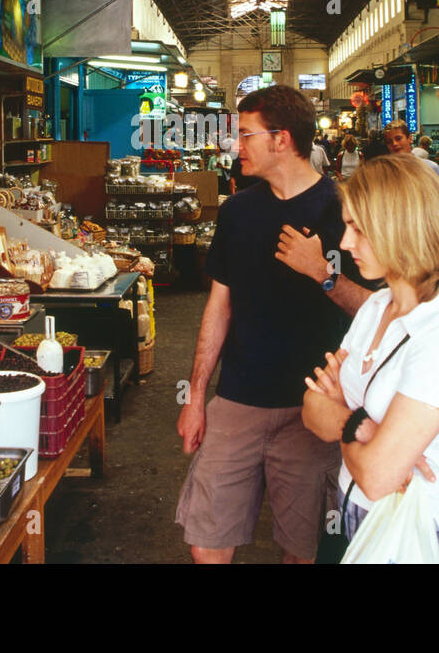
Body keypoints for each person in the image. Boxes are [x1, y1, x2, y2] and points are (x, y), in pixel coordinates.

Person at [175, 85, 374, 563]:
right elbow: (219, 306)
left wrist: (323, 274)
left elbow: (379, 311)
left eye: (245, 136)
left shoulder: (343, 211)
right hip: (239, 399)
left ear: (281, 139)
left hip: (313, 407)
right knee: (206, 542)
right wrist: (197, 397)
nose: (235, 146)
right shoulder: (238, 211)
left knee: (300, 548)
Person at [302, 155, 439, 562]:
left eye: (358, 228)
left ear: (401, 228)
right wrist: (365, 430)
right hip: (356, 520)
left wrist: (343, 414)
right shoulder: (376, 307)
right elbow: (311, 408)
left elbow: (377, 477)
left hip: (416, 536)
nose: (346, 243)